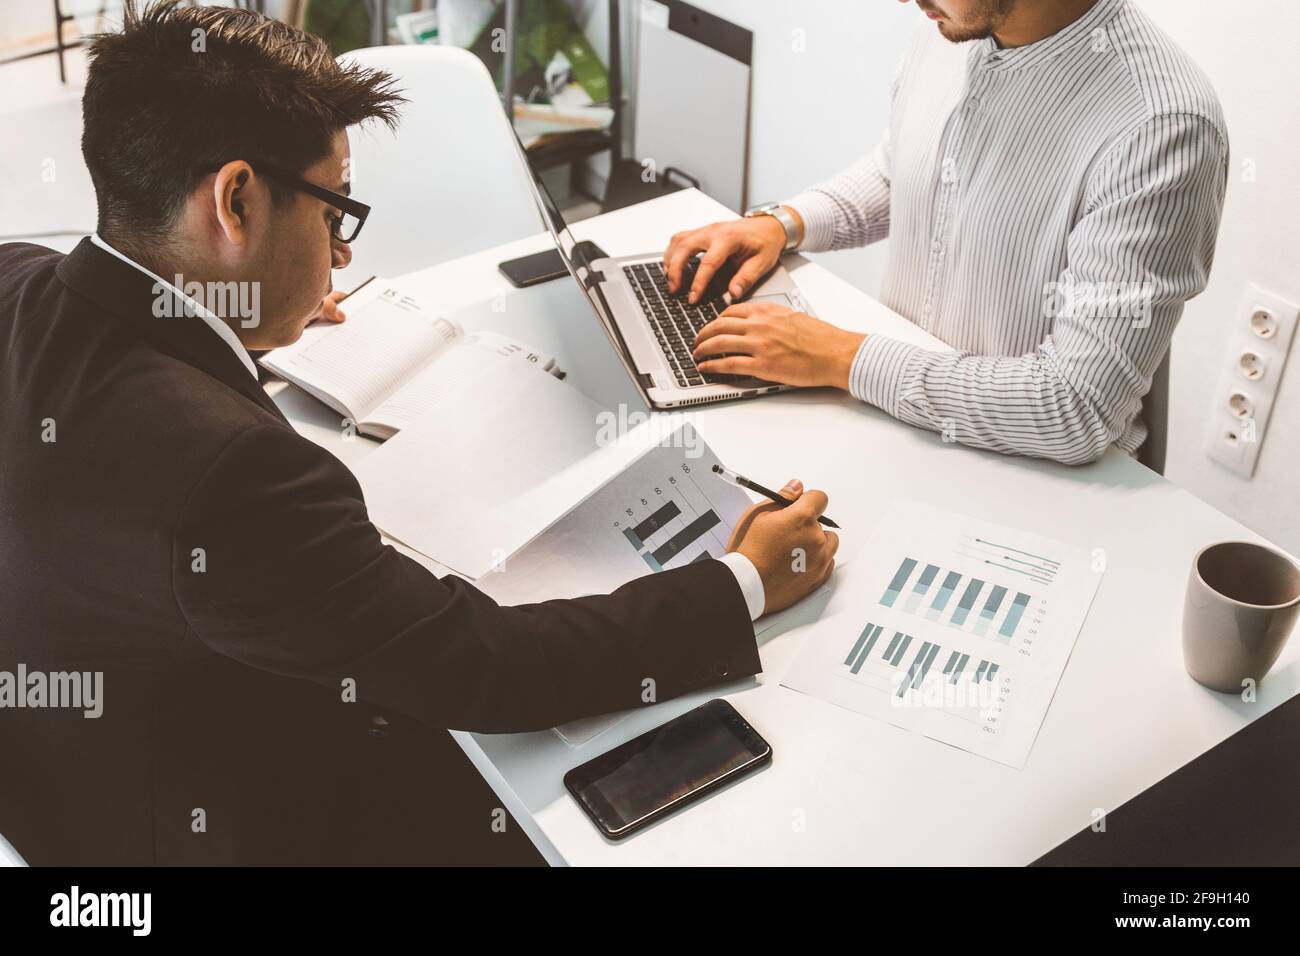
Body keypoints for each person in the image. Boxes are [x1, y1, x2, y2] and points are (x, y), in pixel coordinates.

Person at [0, 0, 836, 865]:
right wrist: (742, 582)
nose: (343, 256)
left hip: (52, 782)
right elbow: (485, 668)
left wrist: (241, 314)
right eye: (332, 216)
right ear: (237, 200)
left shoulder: (17, 277)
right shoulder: (233, 474)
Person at [669, 0, 1229, 466]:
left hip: (1028, 478)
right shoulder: (953, 24)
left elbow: (1076, 408)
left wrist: (840, 357)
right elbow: (902, 169)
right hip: (892, 414)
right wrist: (785, 223)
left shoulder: (1163, 127)